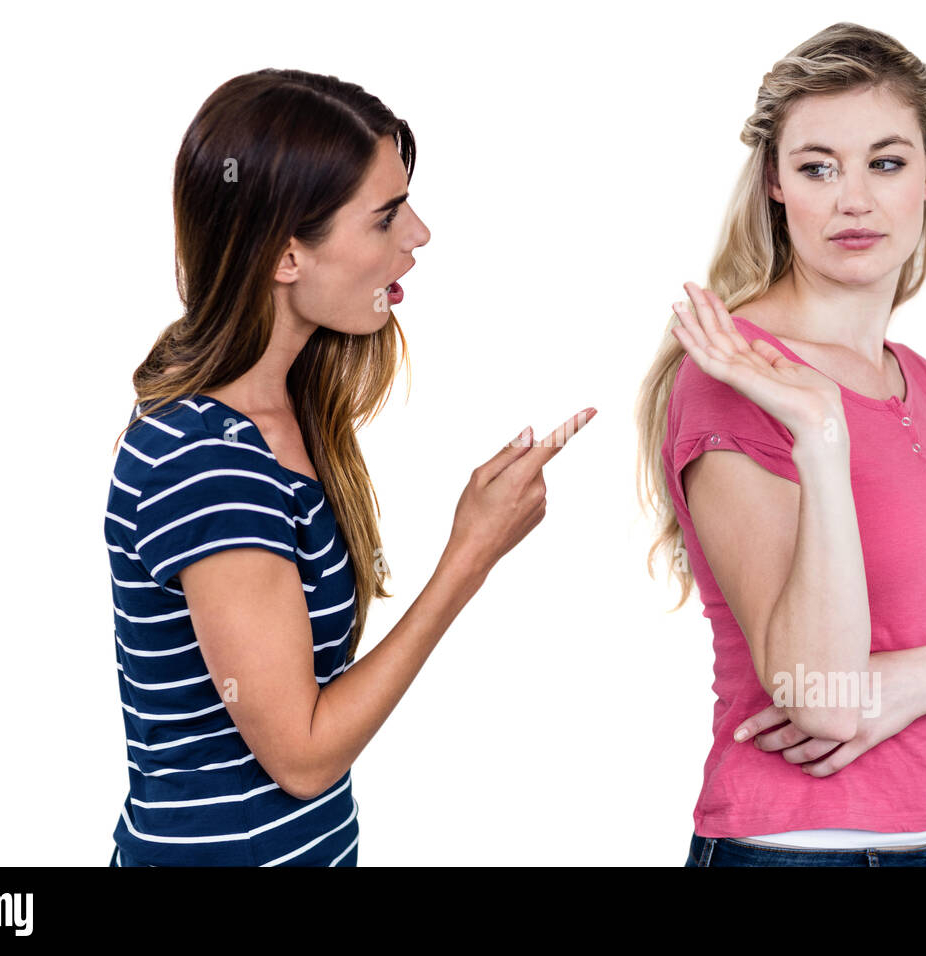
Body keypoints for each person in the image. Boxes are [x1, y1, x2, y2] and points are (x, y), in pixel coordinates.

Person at [103, 69, 594, 866]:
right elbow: (302, 755)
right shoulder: (208, 465)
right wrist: (470, 555)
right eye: (386, 217)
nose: (420, 235)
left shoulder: (283, 416)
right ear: (286, 255)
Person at [634, 23, 926, 867]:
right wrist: (821, 437)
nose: (854, 199)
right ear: (776, 183)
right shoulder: (738, 375)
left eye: (887, 162)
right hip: (796, 851)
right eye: (818, 166)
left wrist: (923, 677)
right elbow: (817, 698)